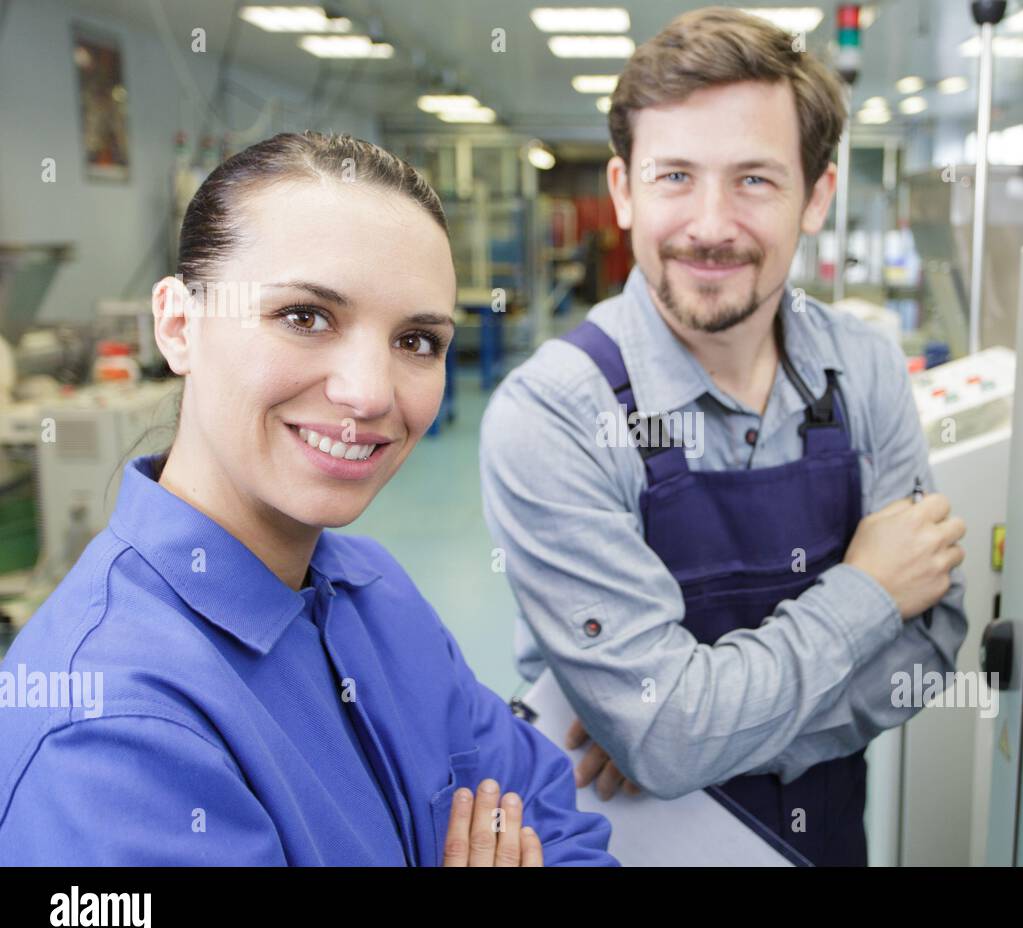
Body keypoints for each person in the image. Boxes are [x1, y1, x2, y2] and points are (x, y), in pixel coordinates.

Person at [0, 131, 614, 867]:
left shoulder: (374, 593)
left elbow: (559, 820)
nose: (369, 392)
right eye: (305, 317)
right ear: (177, 324)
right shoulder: (108, 732)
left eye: (417, 340)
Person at [480, 7, 968, 866]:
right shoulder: (553, 411)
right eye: (675, 177)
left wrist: (694, 740)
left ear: (815, 197)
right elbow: (666, 736)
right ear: (626, 190)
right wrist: (867, 589)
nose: (711, 225)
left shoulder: (865, 369)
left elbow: (931, 645)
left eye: (754, 179)